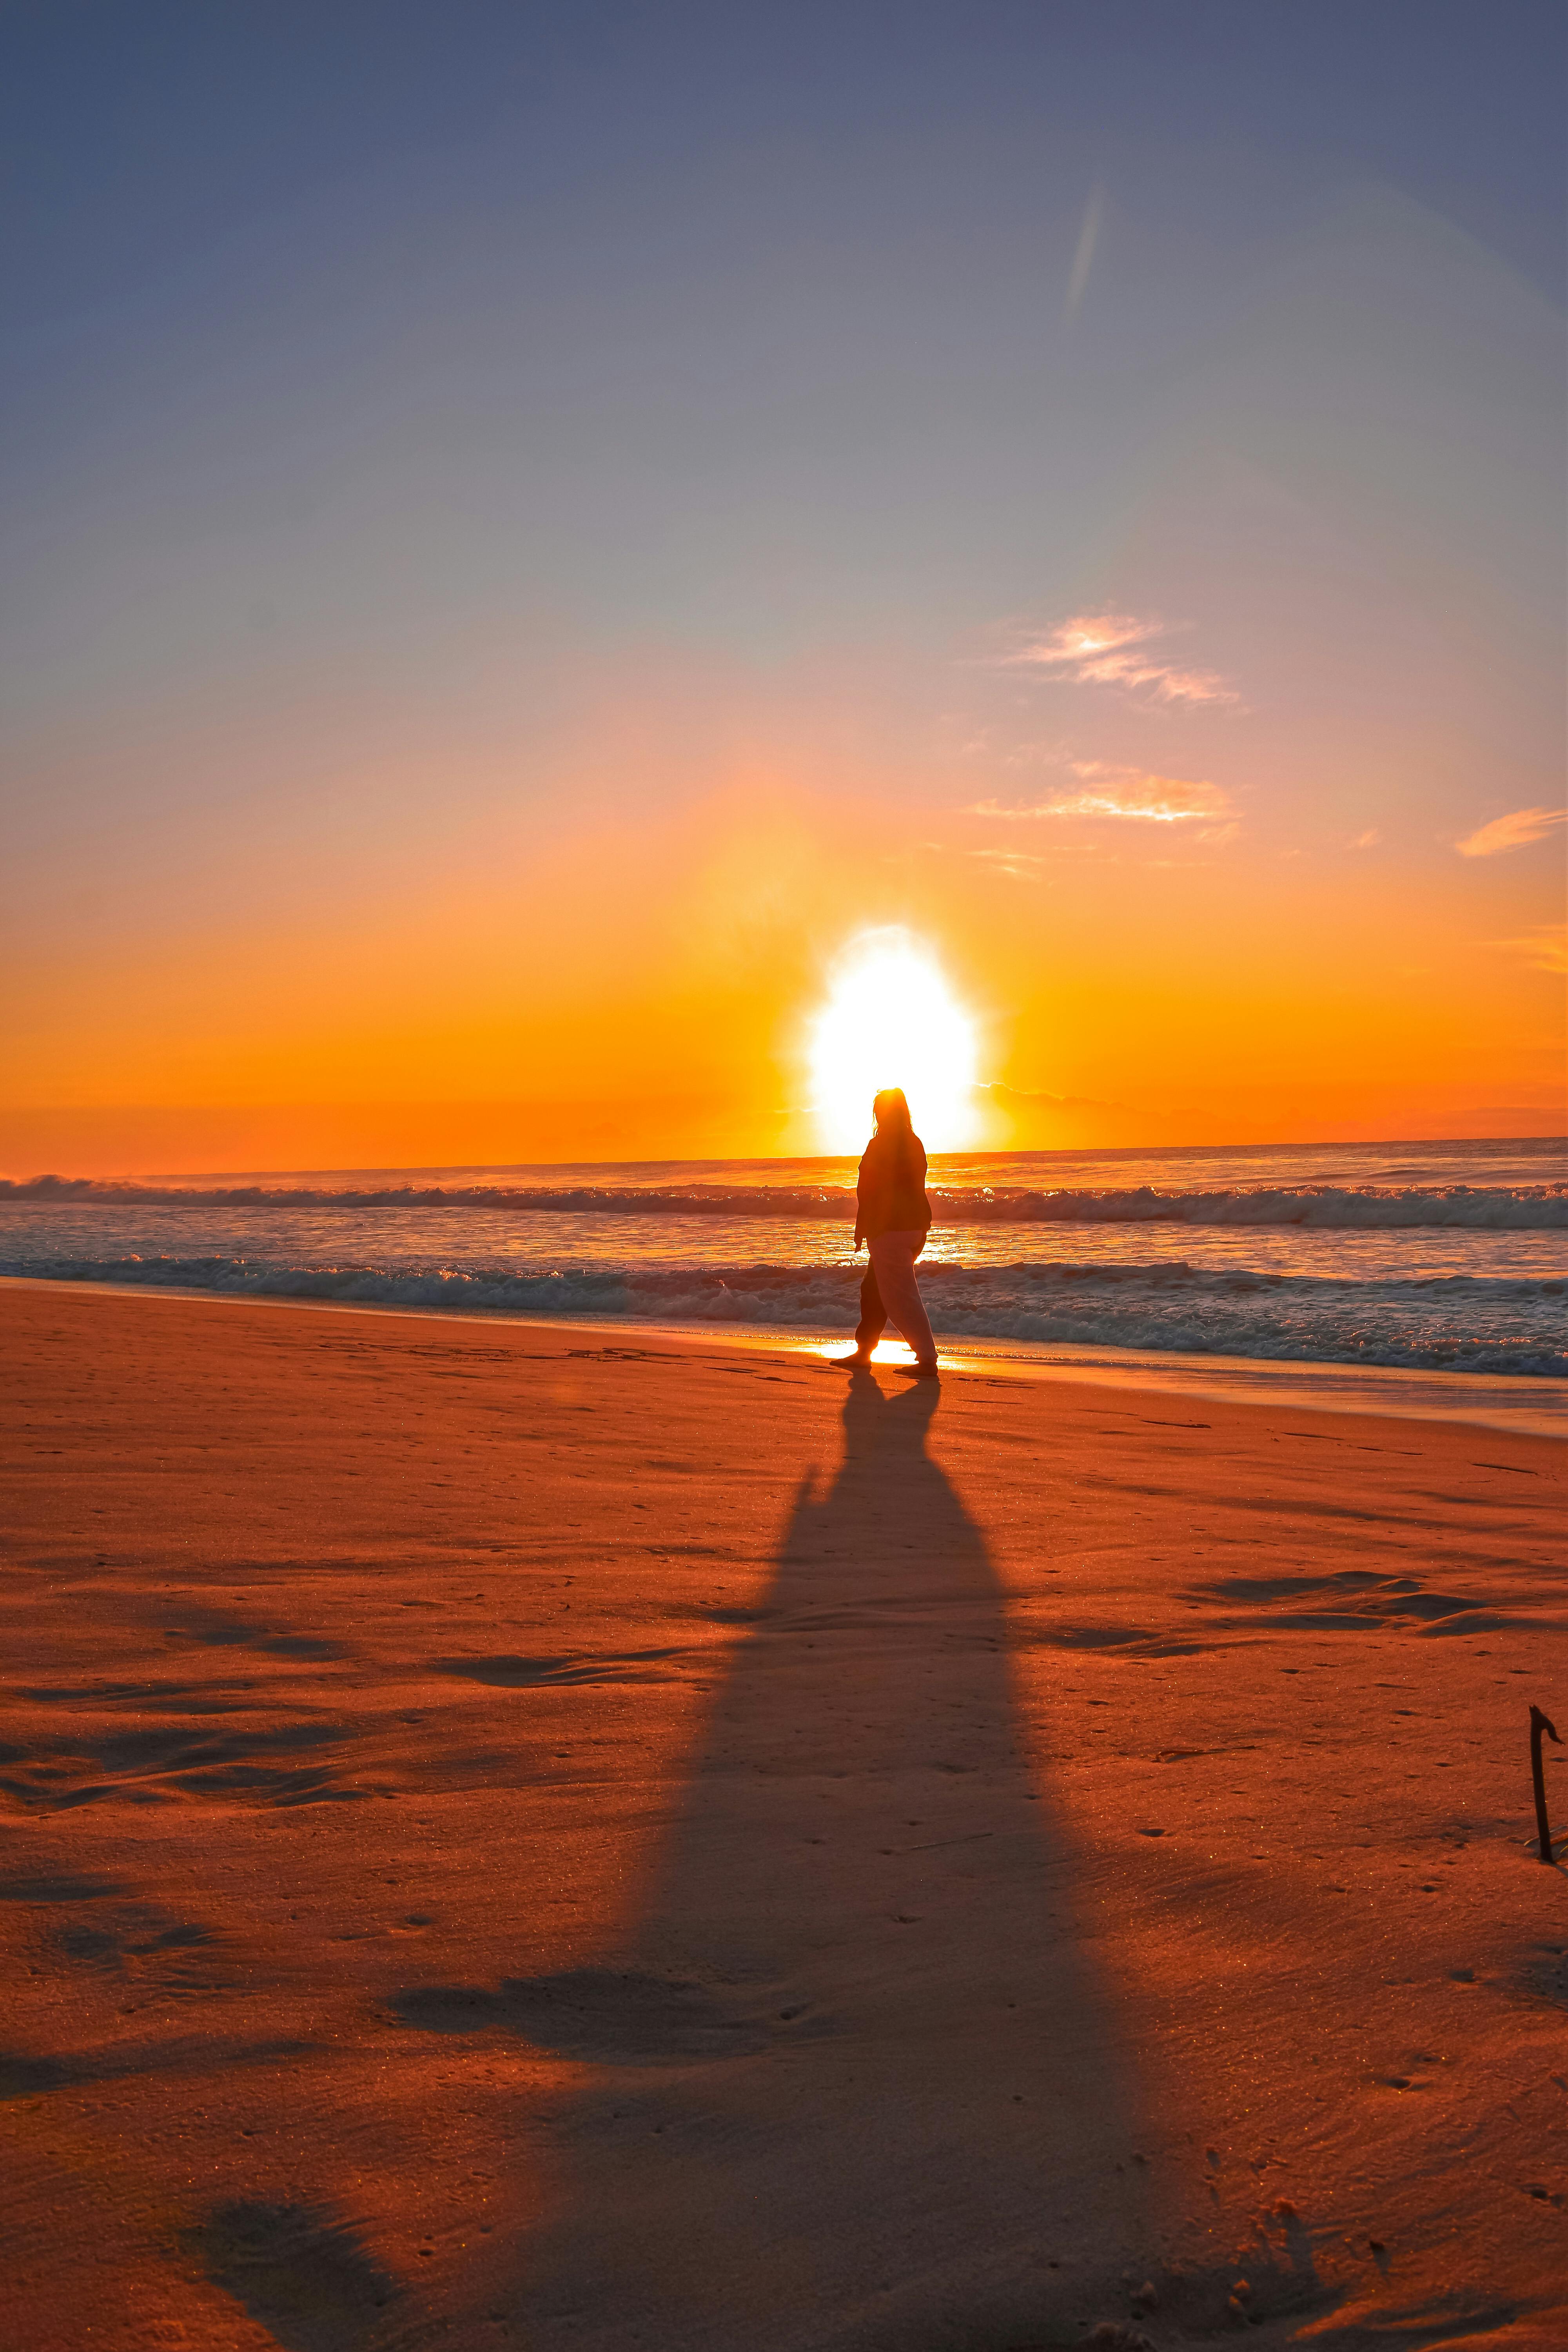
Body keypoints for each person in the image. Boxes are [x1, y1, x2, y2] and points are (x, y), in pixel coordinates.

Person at [836, 1087, 938, 1376]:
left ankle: (927, 1358)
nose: (878, 1114)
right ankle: (864, 1352)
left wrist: (862, 1227)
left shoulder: (881, 1144)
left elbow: (868, 1190)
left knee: (901, 1295)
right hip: (914, 1227)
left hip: (890, 1228)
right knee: (874, 1288)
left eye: (881, 1109)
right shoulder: (914, 1142)